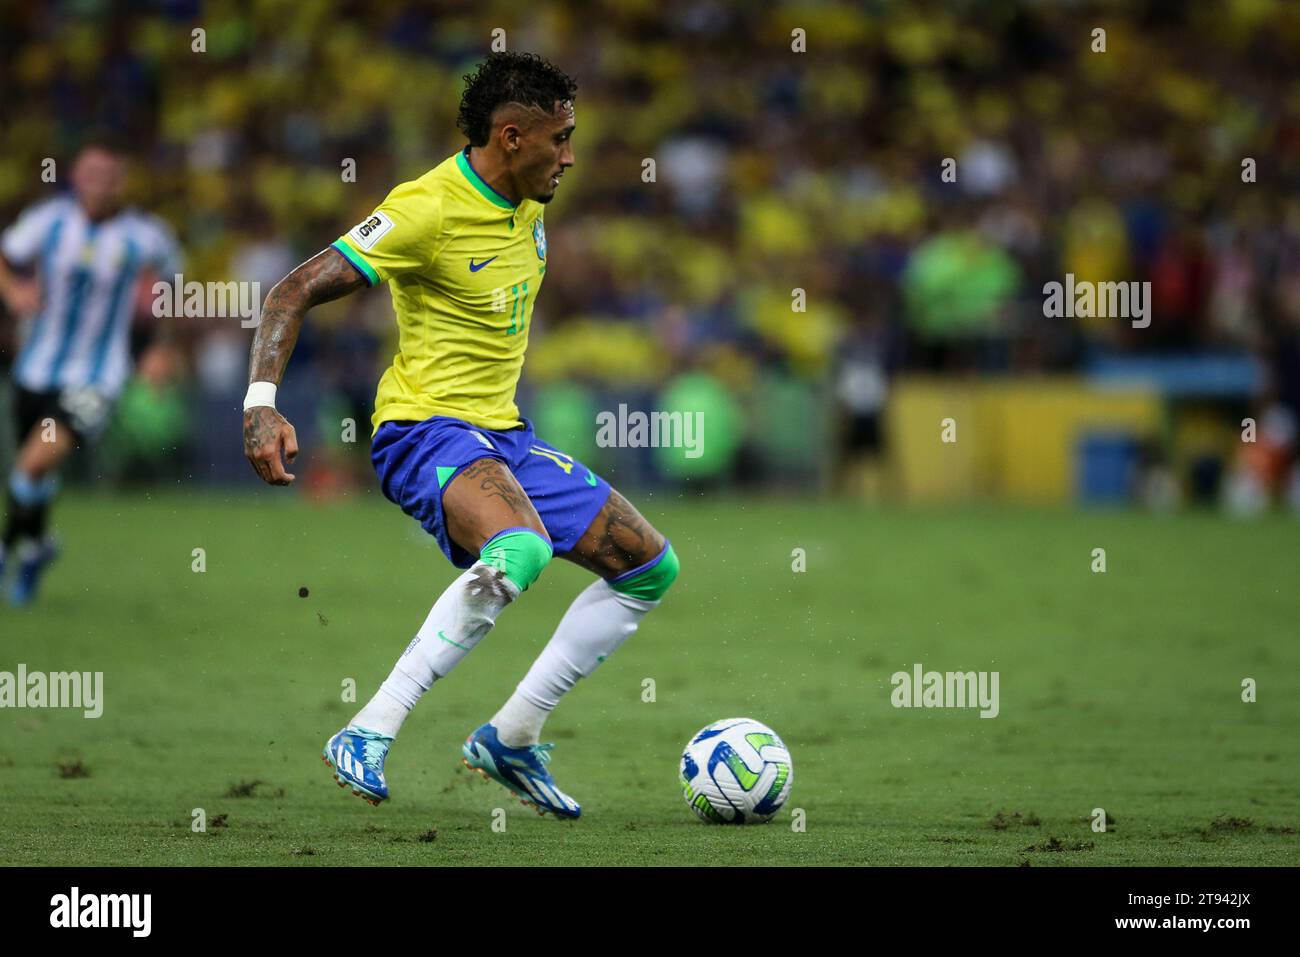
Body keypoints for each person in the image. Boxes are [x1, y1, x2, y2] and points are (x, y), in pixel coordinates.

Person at [242, 52, 679, 818]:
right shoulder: (426, 208)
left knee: (649, 568)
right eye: (560, 139)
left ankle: (511, 735)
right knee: (524, 550)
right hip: (423, 429)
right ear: (511, 137)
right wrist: (261, 404)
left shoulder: (530, 199)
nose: (571, 156)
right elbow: (293, 289)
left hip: (503, 435)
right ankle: (369, 729)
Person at [0, 139, 181, 604]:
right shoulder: (49, 221)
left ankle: (6, 549)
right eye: (92, 174)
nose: (101, 184)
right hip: (33, 369)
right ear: (76, 177)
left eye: (110, 175)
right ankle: (38, 546)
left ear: (122, 182)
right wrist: (16, 291)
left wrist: (161, 348)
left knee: (33, 462)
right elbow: (6, 255)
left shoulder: (145, 235)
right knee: (29, 477)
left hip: (97, 377)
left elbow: (174, 288)